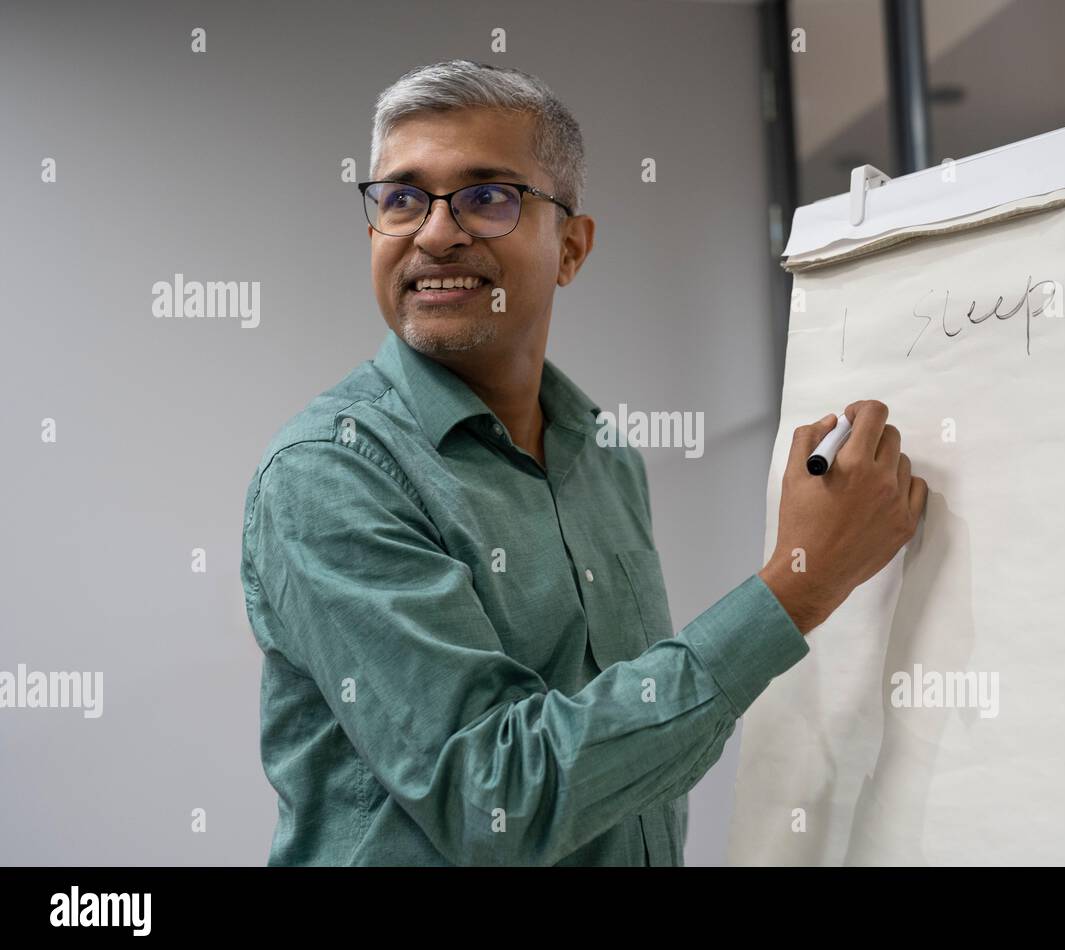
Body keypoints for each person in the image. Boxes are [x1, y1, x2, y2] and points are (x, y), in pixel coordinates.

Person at [239, 59, 927, 866]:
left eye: (486, 197)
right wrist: (800, 585)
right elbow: (499, 798)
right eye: (401, 199)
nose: (434, 232)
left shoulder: (604, 455)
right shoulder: (331, 474)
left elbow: (622, 762)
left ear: (571, 246)